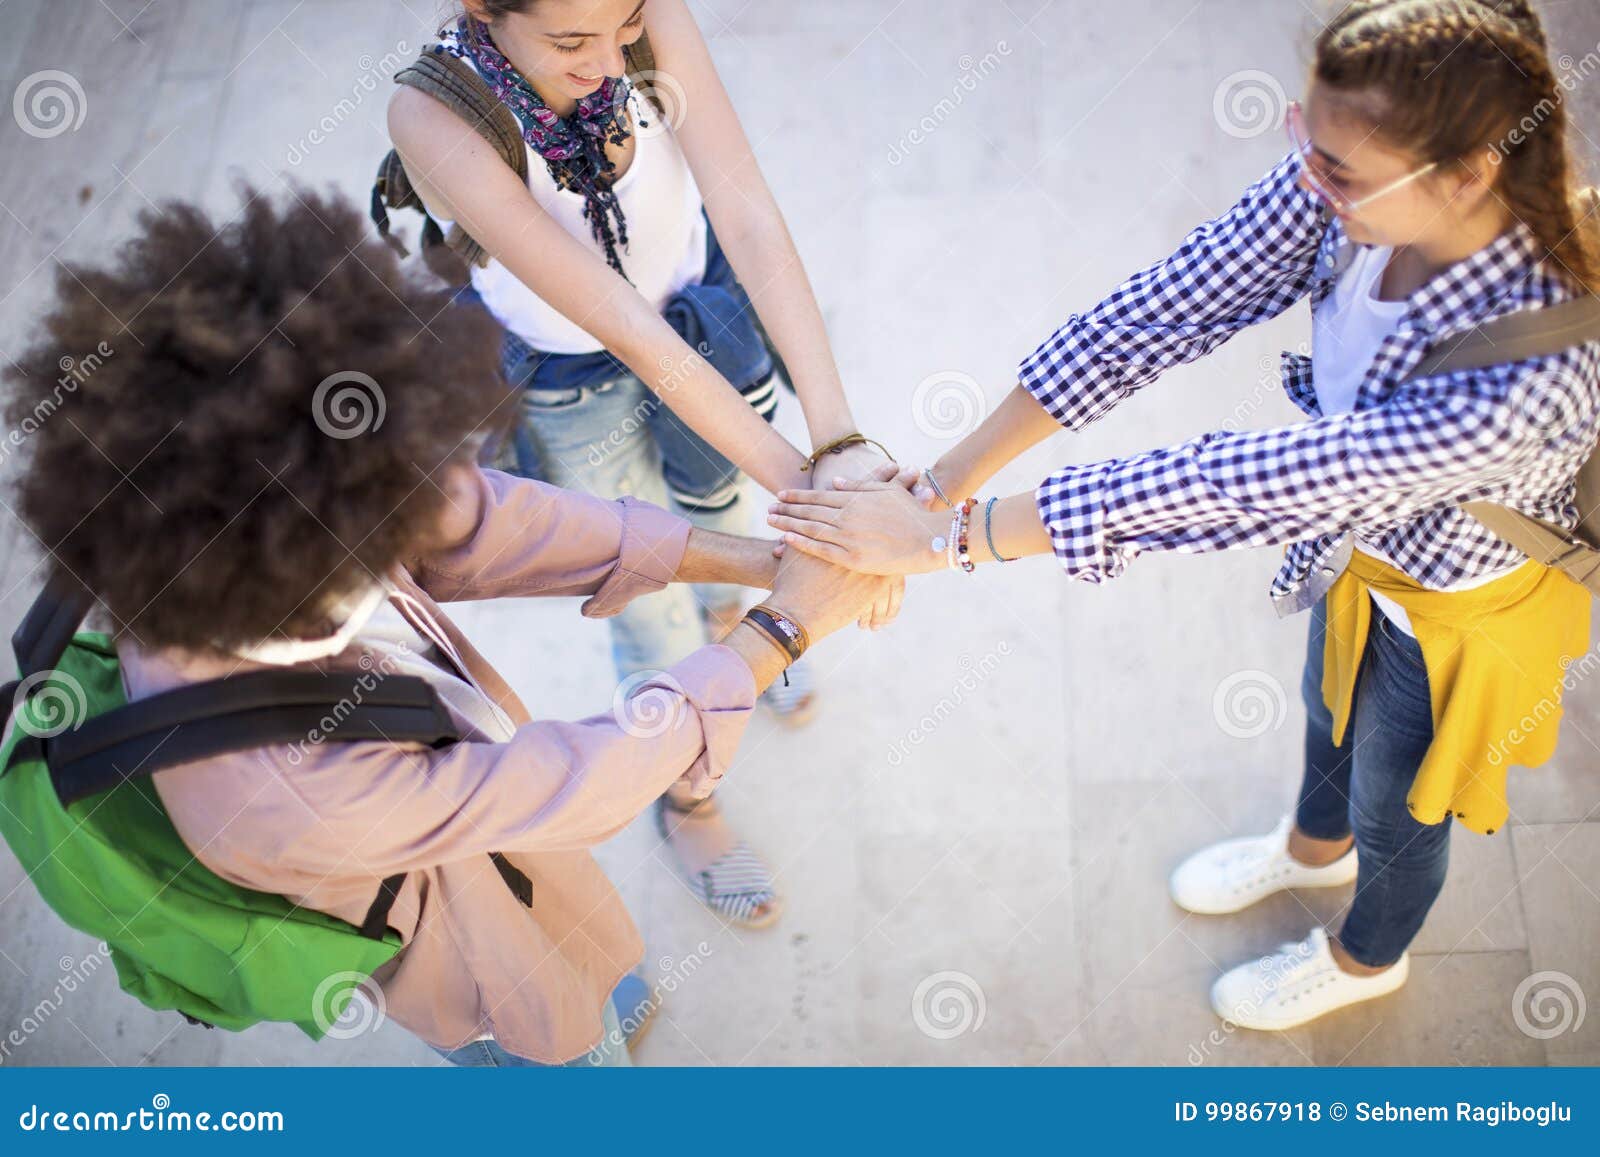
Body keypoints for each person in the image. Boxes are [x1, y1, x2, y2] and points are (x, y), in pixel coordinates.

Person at [767, 0, 1600, 1029]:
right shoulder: (1348, 190)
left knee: (1402, 802)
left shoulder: (1522, 374)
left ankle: (1364, 951)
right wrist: (939, 483)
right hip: (1361, 556)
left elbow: (1239, 484)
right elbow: (1160, 310)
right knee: (1325, 715)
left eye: (1337, 166)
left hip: (1459, 607)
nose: (1307, 174)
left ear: (1465, 174)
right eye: (1305, 134)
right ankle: (1307, 847)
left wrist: (950, 543)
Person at [3, 187, 887, 1066]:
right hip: (472, 963)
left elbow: (485, 520)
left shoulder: (283, 491)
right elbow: (565, 781)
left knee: (581, 941)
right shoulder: (290, 782)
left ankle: (604, 979)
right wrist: (780, 629)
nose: (423, 511)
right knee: (567, 1052)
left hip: (493, 851)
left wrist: (747, 560)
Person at [386, 0, 907, 926]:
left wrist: (841, 451)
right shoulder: (435, 117)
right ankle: (688, 799)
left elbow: (745, 215)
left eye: (623, 24)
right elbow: (622, 327)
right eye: (569, 42)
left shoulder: (638, 17)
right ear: (480, 9)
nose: (609, 57)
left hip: (705, 313)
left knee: (735, 514)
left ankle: (748, 623)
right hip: (573, 372)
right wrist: (826, 506)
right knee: (651, 594)